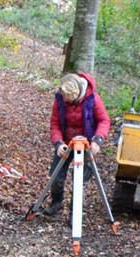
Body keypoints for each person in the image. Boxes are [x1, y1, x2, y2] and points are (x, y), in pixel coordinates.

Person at [46, 73, 111, 214]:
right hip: (67, 143)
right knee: (56, 177)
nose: (65, 100)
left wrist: (97, 140)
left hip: (86, 145)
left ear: (76, 93)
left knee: (79, 180)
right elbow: (55, 123)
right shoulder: (60, 99)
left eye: (68, 97)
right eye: (63, 96)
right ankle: (56, 203)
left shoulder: (93, 99)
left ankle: (74, 213)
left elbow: (104, 120)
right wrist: (58, 143)